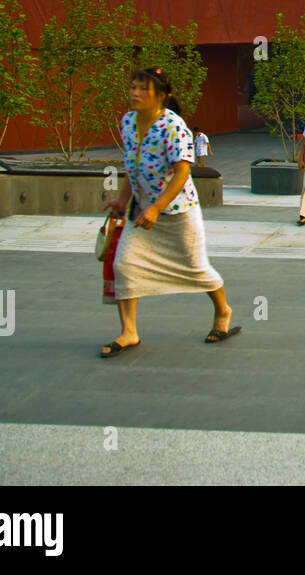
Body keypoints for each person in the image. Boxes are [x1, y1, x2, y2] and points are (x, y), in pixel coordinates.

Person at [101, 66, 239, 357]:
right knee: (124, 265)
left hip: (178, 212)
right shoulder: (128, 122)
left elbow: (181, 174)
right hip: (142, 212)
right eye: (133, 88)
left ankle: (223, 311)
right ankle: (129, 331)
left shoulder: (174, 126)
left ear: (162, 96)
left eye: (143, 89)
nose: (135, 94)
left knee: (196, 267)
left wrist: (156, 207)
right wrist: (122, 200)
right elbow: (132, 167)